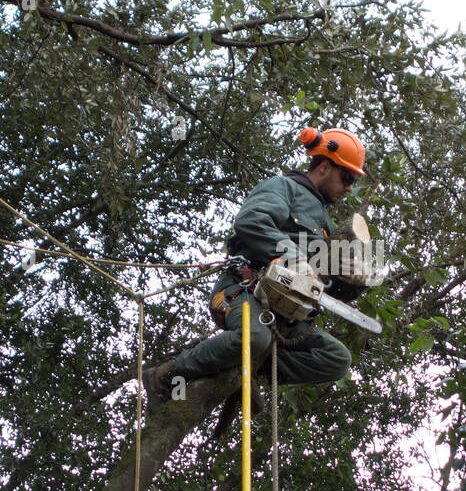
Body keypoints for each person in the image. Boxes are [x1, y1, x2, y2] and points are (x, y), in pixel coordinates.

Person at [142, 127, 369, 414]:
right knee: (255, 337)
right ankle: (167, 373)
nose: (349, 187)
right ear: (324, 166)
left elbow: (322, 285)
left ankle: (251, 370)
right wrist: (292, 256)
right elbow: (251, 222)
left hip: (289, 311)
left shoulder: (325, 223)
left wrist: (352, 280)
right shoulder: (283, 187)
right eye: (347, 177)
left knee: (336, 359)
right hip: (245, 287)